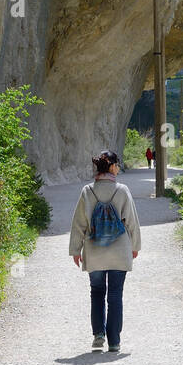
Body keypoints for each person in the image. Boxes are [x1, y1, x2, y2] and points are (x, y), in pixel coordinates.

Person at [69, 150, 141, 352]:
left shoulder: (87, 191)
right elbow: (132, 222)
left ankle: (98, 334)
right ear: (110, 166)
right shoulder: (122, 190)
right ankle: (115, 341)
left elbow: (78, 224)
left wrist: (76, 250)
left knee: (97, 292)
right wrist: (135, 246)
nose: (118, 167)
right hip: (119, 251)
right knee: (115, 295)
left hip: (94, 251)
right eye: (117, 164)